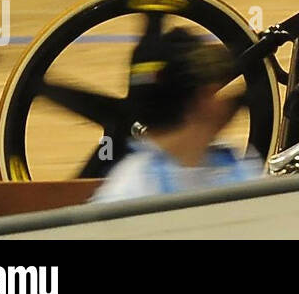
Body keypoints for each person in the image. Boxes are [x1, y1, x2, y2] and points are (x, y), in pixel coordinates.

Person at [91, 27, 261, 203]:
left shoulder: (129, 185)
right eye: (216, 93)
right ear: (203, 100)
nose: (227, 101)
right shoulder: (241, 175)